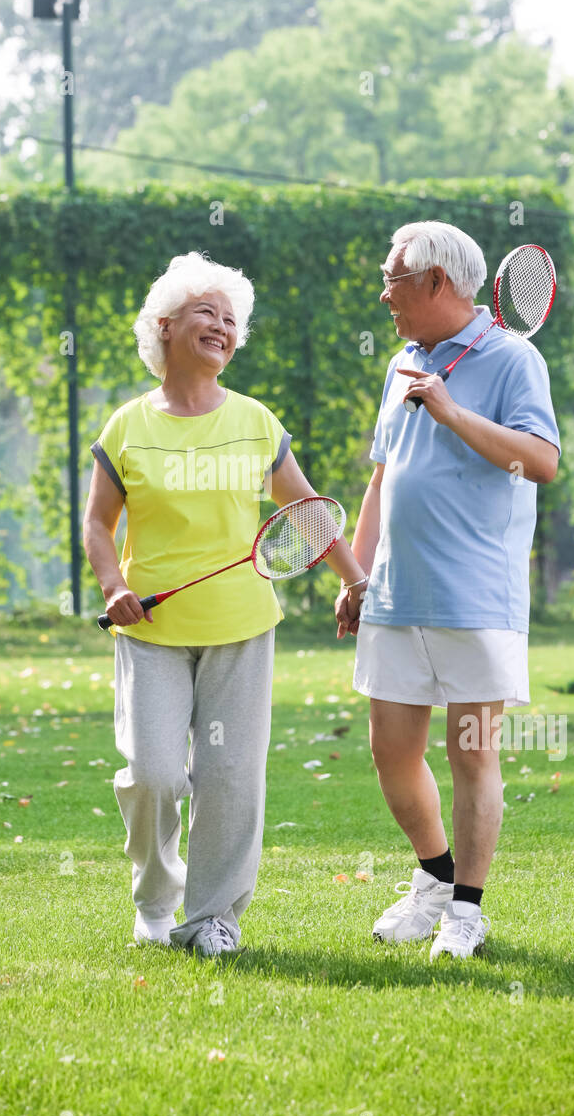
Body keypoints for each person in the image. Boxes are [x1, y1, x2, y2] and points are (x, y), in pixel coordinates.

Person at [84, 251, 367, 956]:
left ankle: (212, 917)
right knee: (153, 774)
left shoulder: (255, 422)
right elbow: (97, 524)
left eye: (232, 319)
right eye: (206, 312)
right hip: (151, 632)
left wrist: (354, 579)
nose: (223, 327)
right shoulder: (126, 428)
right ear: (164, 326)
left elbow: (306, 510)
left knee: (231, 775)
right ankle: (156, 896)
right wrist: (113, 588)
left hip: (242, 627)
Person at [335, 222, 560, 960]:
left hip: (476, 596)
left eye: (393, 277)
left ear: (436, 281)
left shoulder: (513, 358)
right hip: (396, 593)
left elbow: (542, 462)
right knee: (390, 752)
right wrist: (359, 574)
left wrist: (453, 410)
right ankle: (434, 877)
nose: (383, 292)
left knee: (472, 754)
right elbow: (382, 475)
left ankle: (467, 908)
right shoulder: (402, 360)